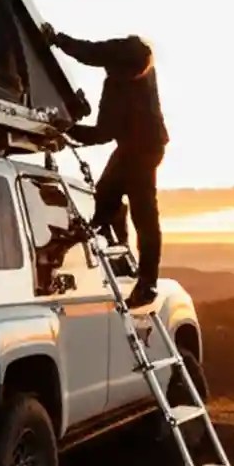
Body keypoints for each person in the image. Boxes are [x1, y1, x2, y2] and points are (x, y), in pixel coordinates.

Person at [41, 23, 169, 308]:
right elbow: (90, 51)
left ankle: (146, 282)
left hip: (144, 150)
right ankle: (112, 234)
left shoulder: (124, 80)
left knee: (142, 212)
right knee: (108, 196)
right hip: (137, 147)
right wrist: (59, 40)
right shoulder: (127, 55)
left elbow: (103, 133)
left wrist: (68, 128)